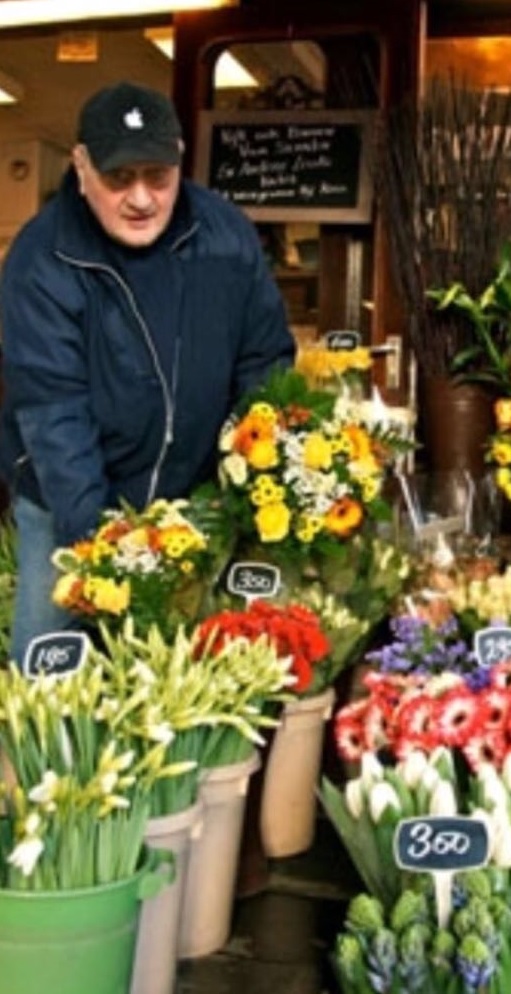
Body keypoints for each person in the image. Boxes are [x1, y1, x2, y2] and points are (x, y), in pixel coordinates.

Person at [0, 81, 295, 664]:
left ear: (181, 158)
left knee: (190, 671)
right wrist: (110, 551)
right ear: (81, 167)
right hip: (67, 505)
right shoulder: (41, 260)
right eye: (118, 178)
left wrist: (242, 478)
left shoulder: (226, 236)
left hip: (193, 496)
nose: (141, 198)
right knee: (48, 676)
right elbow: (55, 417)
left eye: (157, 176)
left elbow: (263, 360)